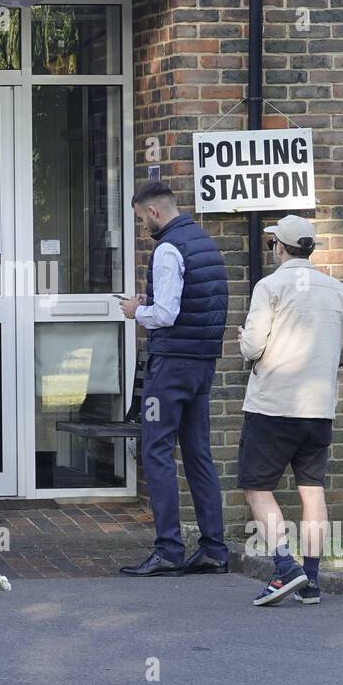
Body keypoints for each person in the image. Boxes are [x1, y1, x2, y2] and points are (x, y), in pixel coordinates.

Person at [237, 215, 343, 606]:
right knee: (312, 490)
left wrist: (244, 340)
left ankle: (285, 569)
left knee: (257, 487)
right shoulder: (337, 289)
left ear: (279, 247)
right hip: (318, 409)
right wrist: (328, 359)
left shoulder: (270, 286)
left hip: (272, 407)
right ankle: (311, 581)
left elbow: (251, 349)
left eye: (272, 244)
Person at [117, 182, 231, 577]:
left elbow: (165, 314)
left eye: (140, 219)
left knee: (157, 450)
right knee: (198, 452)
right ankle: (214, 547)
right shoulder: (204, 242)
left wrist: (136, 310)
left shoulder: (168, 249)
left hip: (171, 365)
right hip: (202, 362)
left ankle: (168, 548)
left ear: (152, 212)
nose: (142, 228)